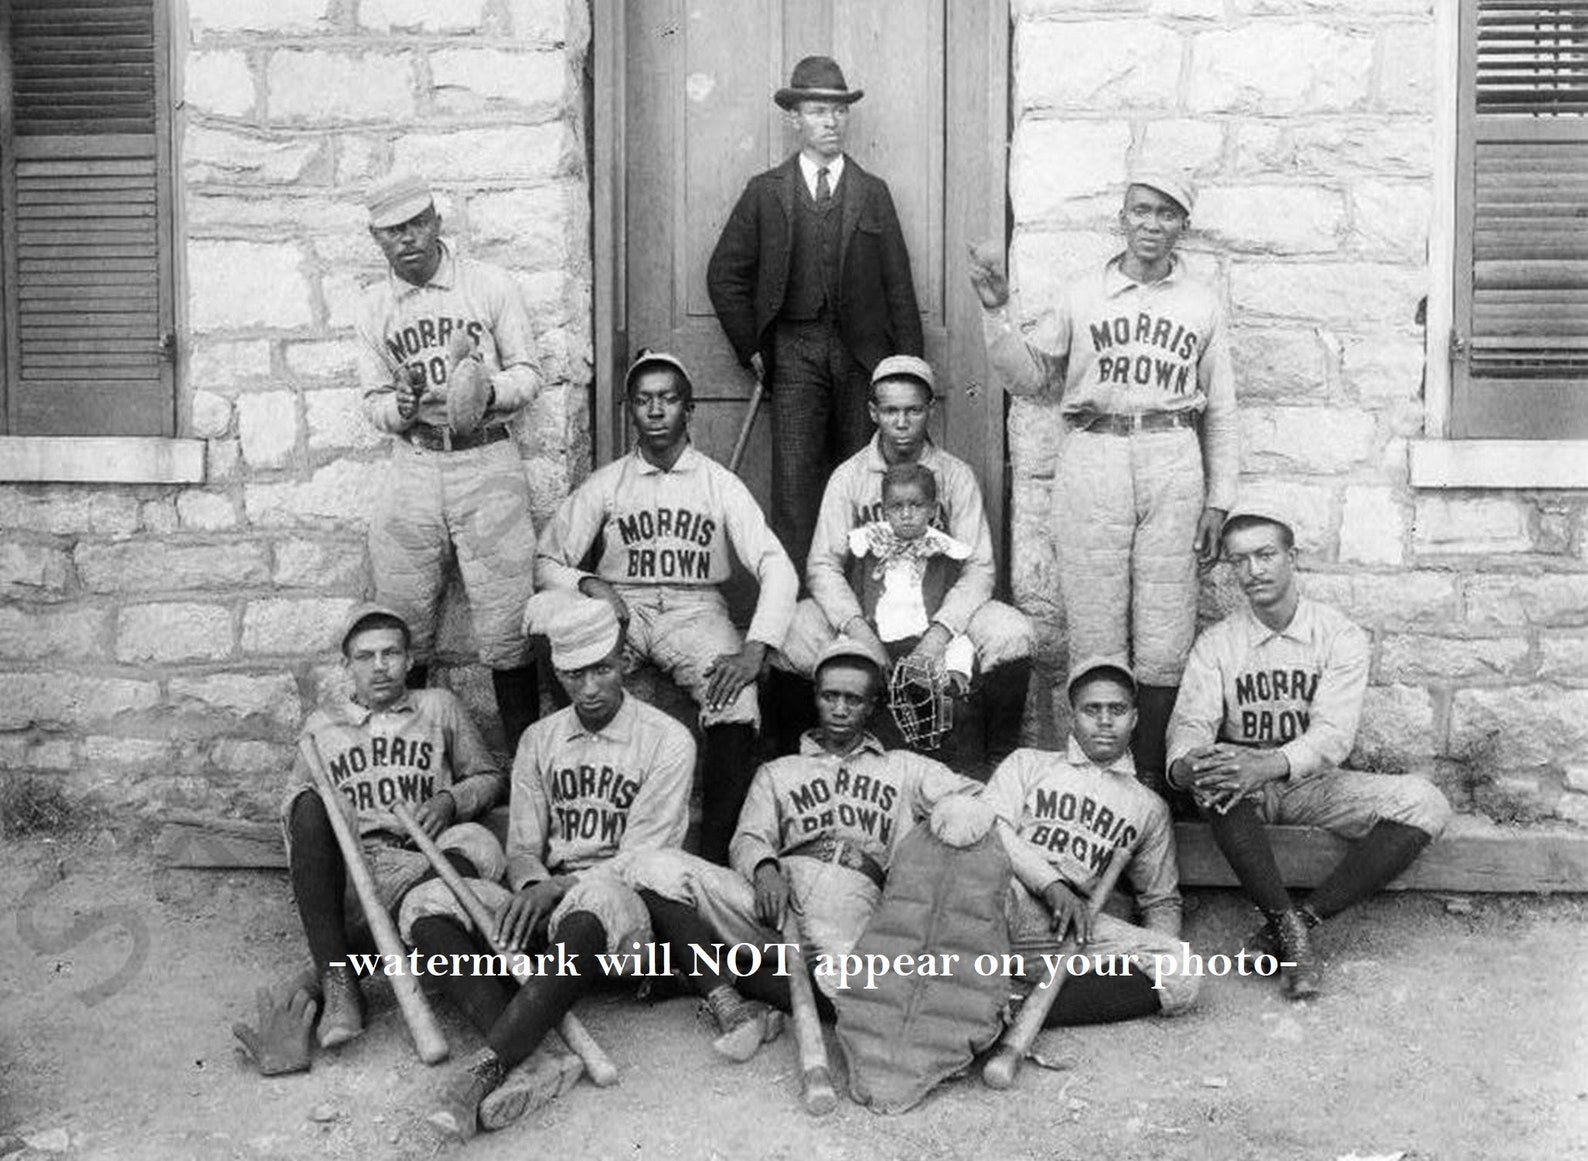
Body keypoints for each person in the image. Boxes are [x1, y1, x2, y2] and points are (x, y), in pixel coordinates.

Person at [970, 171, 1239, 790]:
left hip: (1172, 451)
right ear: (1122, 217)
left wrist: (1220, 501)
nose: (1151, 224)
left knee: (1167, 625)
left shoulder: (1199, 303)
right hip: (1095, 451)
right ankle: (1095, 777)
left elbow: (1221, 410)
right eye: (1141, 211)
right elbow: (1031, 377)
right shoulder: (1082, 293)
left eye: (1166, 214)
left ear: (1183, 226)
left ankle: (1149, 779)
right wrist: (995, 312)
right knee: (1093, 622)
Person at [412, 591, 695, 1139]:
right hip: (551, 908)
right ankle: (536, 1053)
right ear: (558, 674)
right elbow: (521, 847)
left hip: (623, 914)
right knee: (431, 907)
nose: (590, 689)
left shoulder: (668, 741)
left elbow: (641, 858)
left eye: (602, 671)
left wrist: (560, 888)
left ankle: (484, 1072)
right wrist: (535, 886)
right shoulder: (539, 740)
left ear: (624, 664)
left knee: (592, 905)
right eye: (574, 675)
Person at [617, 635, 991, 1033]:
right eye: (830, 697)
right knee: (652, 867)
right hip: (771, 901)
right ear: (816, 697)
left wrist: (941, 829)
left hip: (850, 897)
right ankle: (727, 991)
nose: (840, 709)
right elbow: (748, 838)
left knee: (862, 997)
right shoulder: (779, 772)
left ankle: (736, 978)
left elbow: (975, 801)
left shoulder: (904, 769)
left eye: (853, 700)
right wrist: (764, 869)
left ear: (872, 706)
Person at [1166, 511, 1452, 1000]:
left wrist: (1269, 764)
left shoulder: (1338, 635)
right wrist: (1190, 765)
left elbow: (1333, 737)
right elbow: (1190, 726)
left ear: (1291, 558)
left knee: (1426, 802)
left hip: (1312, 782)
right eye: (1240, 560)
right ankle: (1291, 936)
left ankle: (1298, 922)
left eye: (1265, 555)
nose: (1253, 570)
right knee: (1213, 777)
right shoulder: (1218, 643)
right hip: (1241, 784)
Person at [534, 350, 798, 864]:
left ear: (689, 409)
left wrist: (754, 649)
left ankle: (718, 858)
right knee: (558, 635)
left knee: (736, 700)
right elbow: (546, 560)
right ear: (630, 410)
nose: (656, 411)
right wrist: (590, 583)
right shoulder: (608, 482)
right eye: (644, 400)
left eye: (668, 399)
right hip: (622, 604)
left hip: (695, 609)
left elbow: (777, 566)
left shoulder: (719, 483)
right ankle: (579, 834)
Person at [707, 55, 922, 569]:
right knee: (796, 485)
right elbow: (723, 274)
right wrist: (753, 348)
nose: (831, 121)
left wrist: (909, 372)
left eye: (839, 111)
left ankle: (864, 606)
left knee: (864, 482)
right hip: (794, 353)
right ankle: (798, 614)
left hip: (860, 356)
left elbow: (898, 288)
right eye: (818, 110)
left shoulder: (873, 193)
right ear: (794, 119)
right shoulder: (766, 192)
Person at [356, 171, 544, 753]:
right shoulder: (375, 306)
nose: (408, 239)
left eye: (417, 224)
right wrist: (400, 407)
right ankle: (407, 763)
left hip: (486, 456)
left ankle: (525, 770)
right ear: (376, 239)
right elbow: (372, 401)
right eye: (393, 232)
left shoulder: (488, 285)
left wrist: (488, 391)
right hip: (415, 461)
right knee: (400, 618)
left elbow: (529, 375)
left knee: (509, 621)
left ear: (437, 221)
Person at [780, 355, 1032, 770]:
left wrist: (938, 636)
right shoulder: (850, 476)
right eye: (891, 410)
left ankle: (996, 761)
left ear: (929, 411)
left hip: (941, 612)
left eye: (913, 410)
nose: (901, 422)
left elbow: (980, 568)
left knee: (1012, 632)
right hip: (865, 611)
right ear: (873, 412)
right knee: (792, 631)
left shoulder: (955, 475)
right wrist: (859, 632)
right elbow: (823, 566)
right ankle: (788, 760)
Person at [276, 604, 506, 1058]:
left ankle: (334, 966)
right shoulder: (322, 727)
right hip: (356, 869)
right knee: (307, 802)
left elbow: (488, 775)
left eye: (391, 654)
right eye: (365, 657)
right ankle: (341, 983)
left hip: (426, 859)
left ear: (409, 659)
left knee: (479, 842)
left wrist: (450, 800)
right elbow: (296, 818)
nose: (379, 667)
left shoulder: (437, 707)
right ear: (348, 666)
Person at [985, 658, 1199, 1025]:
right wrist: (1051, 884)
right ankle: (971, 997)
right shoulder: (1028, 763)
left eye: (1116, 709)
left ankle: (1016, 1013)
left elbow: (1160, 900)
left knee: (1181, 968)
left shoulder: (1148, 806)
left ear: (1134, 717)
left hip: (1067, 927)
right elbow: (990, 828)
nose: (1104, 720)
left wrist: (1147, 956)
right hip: (1006, 897)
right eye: (1091, 709)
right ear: (1073, 716)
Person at [847, 461, 975, 690]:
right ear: (884, 509)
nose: (906, 515)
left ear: (933, 509)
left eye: (916, 506)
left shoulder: (942, 551)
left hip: (922, 639)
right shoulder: (870, 545)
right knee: (845, 649)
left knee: (961, 644)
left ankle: (948, 686)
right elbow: (857, 591)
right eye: (897, 507)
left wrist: (942, 649)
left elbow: (950, 600)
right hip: (877, 635)